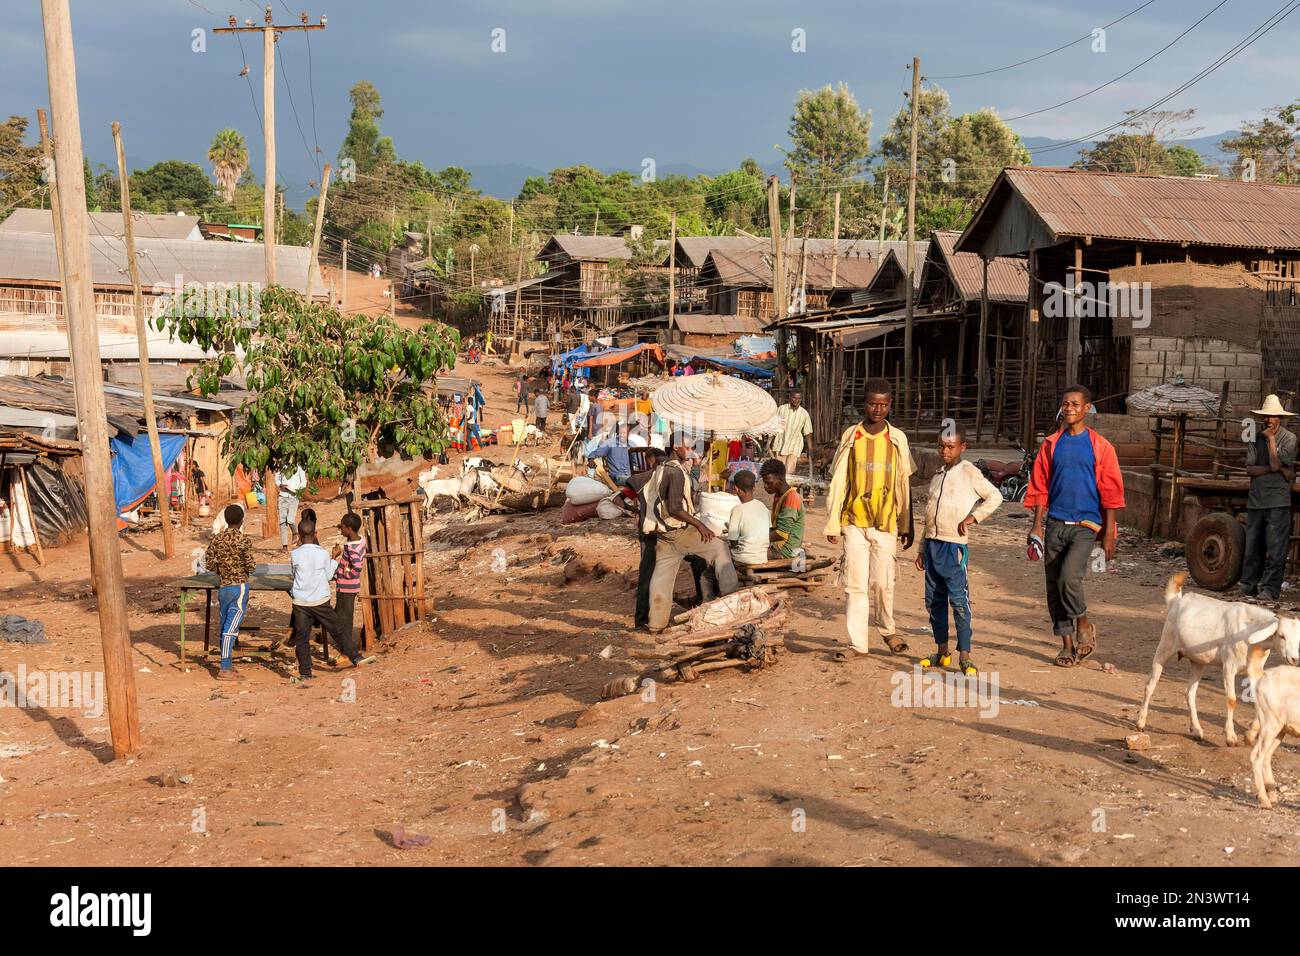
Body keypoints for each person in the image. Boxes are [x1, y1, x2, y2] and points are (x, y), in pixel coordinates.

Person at [1024, 384, 1126, 667]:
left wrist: (1109, 532)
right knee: (1053, 587)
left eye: (1075, 404)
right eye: (1066, 403)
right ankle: (1067, 646)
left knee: (1069, 578)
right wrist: (1037, 527)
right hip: (1056, 523)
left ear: (1087, 408)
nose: (1069, 408)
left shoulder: (1101, 447)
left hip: (1086, 525)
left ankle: (1083, 622)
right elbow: (1040, 487)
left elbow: (1111, 491)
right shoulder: (1051, 445)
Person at [823, 379, 916, 661]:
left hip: (885, 522)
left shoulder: (897, 438)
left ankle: (888, 629)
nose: (878, 409)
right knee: (855, 584)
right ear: (864, 403)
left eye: (884, 404)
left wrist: (907, 523)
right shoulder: (852, 436)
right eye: (873, 403)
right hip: (854, 522)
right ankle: (857, 644)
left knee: (882, 582)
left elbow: (903, 482)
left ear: (890, 405)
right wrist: (832, 520)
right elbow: (839, 479)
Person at [914, 426, 1003, 677]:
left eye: (951, 446)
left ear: (962, 447)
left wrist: (973, 518)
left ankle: (965, 654)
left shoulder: (969, 472)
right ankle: (942, 651)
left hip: (954, 547)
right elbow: (929, 517)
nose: (945, 450)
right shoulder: (938, 475)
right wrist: (922, 548)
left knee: (959, 601)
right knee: (934, 601)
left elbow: (995, 497)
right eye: (941, 445)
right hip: (933, 544)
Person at [643, 434, 740, 632]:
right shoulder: (676, 472)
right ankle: (733, 605)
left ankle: (656, 623)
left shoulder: (662, 467)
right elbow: (675, 508)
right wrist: (699, 525)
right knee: (720, 549)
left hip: (663, 533)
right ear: (677, 446)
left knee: (662, 576)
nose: (690, 451)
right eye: (687, 448)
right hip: (679, 532)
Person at [289, 518, 367, 683]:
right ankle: (355, 657)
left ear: (299, 536)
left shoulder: (294, 554)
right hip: (320, 600)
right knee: (337, 629)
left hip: (301, 602)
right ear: (316, 534)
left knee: (302, 637)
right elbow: (328, 575)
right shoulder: (323, 553)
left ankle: (305, 673)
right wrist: (333, 559)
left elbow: (294, 575)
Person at [1241, 394, 1297, 601]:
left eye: (1273, 416)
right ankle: (1248, 586)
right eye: (1267, 417)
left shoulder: (1289, 439)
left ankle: (1271, 589)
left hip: (1278, 501)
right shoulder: (1254, 438)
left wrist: (1272, 441)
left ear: (1279, 418)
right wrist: (1281, 470)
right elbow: (1250, 469)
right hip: (1256, 500)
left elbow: (1275, 463)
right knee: (1252, 547)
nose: (1269, 420)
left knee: (1275, 548)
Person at [204, 504, 256, 681]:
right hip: (239, 586)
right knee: (231, 628)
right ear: (242, 521)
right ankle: (225, 667)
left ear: (225, 520)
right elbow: (251, 566)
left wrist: (221, 570)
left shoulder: (217, 539)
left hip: (223, 587)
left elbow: (209, 563)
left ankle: (227, 664)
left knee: (225, 624)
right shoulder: (243, 540)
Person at [626, 447, 669, 629]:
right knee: (651, 573)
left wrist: (637, 510)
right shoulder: (660, 478)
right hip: (658, 531)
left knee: (648, 573)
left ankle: (644, 617)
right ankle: (644, 617)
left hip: (649, 530)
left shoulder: (641, 479)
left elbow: (618, 499)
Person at [332, 512, 369, 652]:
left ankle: (347, 647)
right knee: (341, 614)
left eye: (341, 527)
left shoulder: (351, 548)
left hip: (347, 586)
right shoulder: (361, 540)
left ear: (349, 529)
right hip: (350, 587)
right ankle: (343, 641)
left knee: (344, 617)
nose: (340, 529)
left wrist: (346, 574)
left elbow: (357, 567)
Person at [760, 458, 805, 559]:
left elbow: (781, 533)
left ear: (780, 478)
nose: (765, 486)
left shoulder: (791, 498)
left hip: (785, 551)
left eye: (769, 483)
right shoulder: (779, 495)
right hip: (777, 546)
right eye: (764, 483)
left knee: (742, 552)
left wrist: (755, 537)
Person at [724, 470, 770, 568]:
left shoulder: (737, 510)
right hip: (761, 557)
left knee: (709, 573)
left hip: (743, 558)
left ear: (736, 489)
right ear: (754, 488)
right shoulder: (763, 507)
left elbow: (733, 541)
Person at [772, 391, 813, 481]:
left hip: (795, 445)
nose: (796, 400)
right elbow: (774, 425)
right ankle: (780, 492)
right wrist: (769, 442)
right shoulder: (781, 409)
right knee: (779, 471)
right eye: (794, 398)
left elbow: (808, 431)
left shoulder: (804, 413)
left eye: (799, 398)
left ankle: (788, 491)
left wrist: (810, 448)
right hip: (780, 443)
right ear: (790, 398)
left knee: (790, 472)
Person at [275, 466, 307, 551]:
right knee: (282, 521)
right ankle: (284, 546)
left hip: (294, 496)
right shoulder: (281, 465)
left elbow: (303, 481)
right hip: (283, 496)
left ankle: (295, 532)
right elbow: (277, 479)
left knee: (290, 520)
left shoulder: (299, 467)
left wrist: (298, 490)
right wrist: (280, 485)